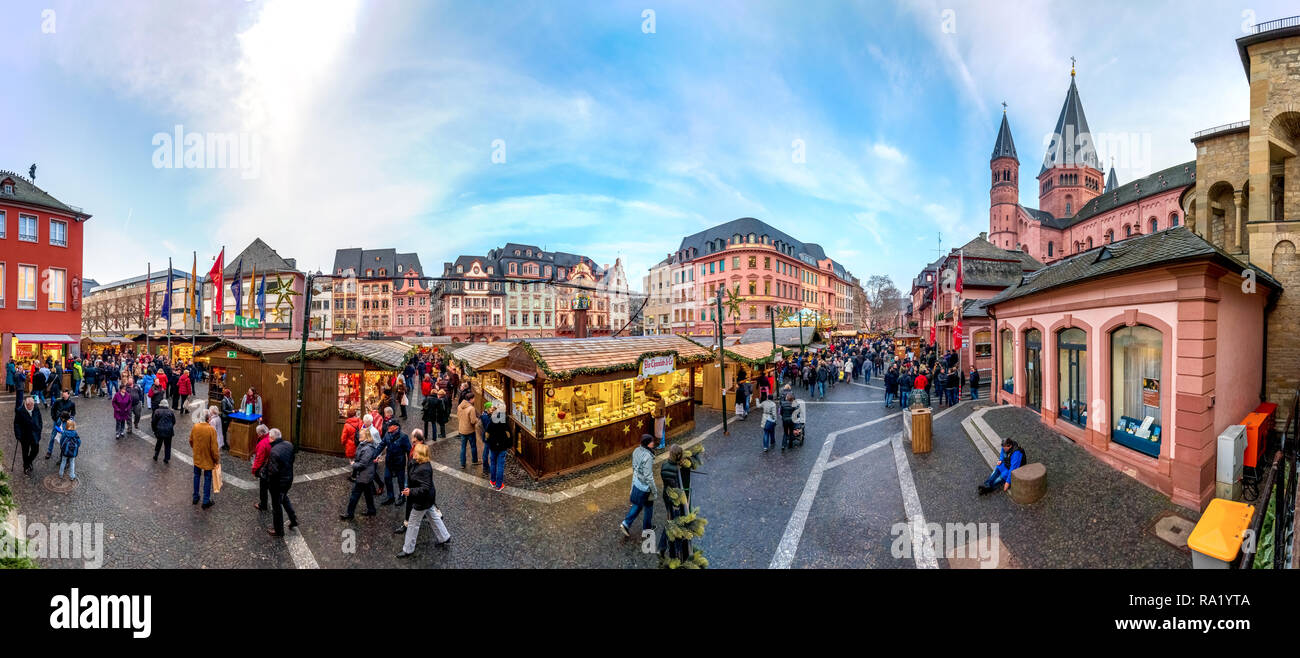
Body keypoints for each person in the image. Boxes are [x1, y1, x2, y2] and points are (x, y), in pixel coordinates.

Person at [396, 443, 451, 557]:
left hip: (422, 500)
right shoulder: (417, 462)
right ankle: (444, 537)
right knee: (433, 516)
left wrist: (411, 492)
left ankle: (408, 549)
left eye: (415, 451)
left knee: (412, 523)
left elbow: (424, 488)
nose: (413, 452)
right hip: (427, 499)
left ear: (420, 455)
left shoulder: (424, 469)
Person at [620, 434, 658, 539]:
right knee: (649, 507)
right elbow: (649, 476)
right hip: (646, 487)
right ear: (647, 443)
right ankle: (646, 529)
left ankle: (626, 523)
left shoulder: (636, 451)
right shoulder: (648, 457)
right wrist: (654, 491)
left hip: (637, 483)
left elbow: (634, 468)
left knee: (638, 504)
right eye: (651, 442)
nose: (653, 443)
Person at [341, 420, 380, 520]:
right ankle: (371, 510)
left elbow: (363, 464)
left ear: (366, 437)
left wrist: (354, 464)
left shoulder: (367, 448)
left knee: (355, 495)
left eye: (361, 435)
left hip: (364, 476)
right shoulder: (364, 445)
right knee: (368, 494)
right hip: (366, 475)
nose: (359, 436)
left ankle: (350, 514)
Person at [262, 428, 299, 536]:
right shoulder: (289, 445)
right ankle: (293, 519)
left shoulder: (274, 451)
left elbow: (273, 471)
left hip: (278, 483)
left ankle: (278, 530)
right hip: (288, 479)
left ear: (272, 438)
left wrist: (268, 480)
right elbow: (292, 460)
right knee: (284, 498)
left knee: (276, 506)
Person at [657, 444, 691, 559]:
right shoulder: (678, 470)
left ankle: (662, 548)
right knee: (672, 523)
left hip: (666, 496)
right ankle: (665, 548)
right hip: (675, 500)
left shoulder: (664, 465)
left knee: (670, 520)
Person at [189, 408, 220, 509]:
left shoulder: (195, 427)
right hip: (208, 459)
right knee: (207, 479)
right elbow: (214, 448)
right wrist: (216, 460)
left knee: (196, 476)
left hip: (197, 457)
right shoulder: (211, 430)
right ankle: (206, 500)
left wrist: (196, 449)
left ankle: (195, 497)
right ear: (208, 418)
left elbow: (191, 440)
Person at [379, 419, 410, 506]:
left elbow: (409, 450)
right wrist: (374, 455)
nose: (388, 427)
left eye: (390, 426)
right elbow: (381, 445)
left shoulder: (404, 437)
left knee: (401, 481)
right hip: (389, 462)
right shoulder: (387, 434)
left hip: (399, 463)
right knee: (387, 478)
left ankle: (402, 497)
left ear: (396, 427)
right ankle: (390, 497)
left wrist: (410, 464)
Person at [14, 396, 42, 475]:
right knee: (25, 452)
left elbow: (39, 419)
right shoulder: (20, 410)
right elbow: (16, 424)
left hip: (35, 434)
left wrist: (39, 428)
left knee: (35, 450)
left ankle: (28, 462)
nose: (32, 407)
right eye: (31, 406)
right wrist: (18, 435)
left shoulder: (36, 408)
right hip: (25, 436)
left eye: (33, 405)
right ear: (27, 405)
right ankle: (26, 466)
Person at [485, 405, 510, 490]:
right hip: (502, 446)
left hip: (493, 445)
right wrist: (508, 443)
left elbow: (487, 433)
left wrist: (488, 441)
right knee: (500, 465)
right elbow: (508, 434)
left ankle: (493, 481)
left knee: (493, 463)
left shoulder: (492, 419)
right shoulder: (505, 420)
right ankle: (499, 485)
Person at [47, 389, 76, 458]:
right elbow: (53, 409)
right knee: (52, 437)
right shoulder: (58, 401)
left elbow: (73, 412)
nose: (64, 397)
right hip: (58, 421)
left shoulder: (72, 403)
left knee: (64, 438)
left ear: (68, 395)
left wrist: (71, 419)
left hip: (66, 423)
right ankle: (49, 451)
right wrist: (54, 418)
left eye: (65, 396)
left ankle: (62, 453)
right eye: (63, 396)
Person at [455, 391, 480, 469]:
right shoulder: (471, 408)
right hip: (470, 430)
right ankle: (475, 460)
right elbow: (473, 421)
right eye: (474, 398)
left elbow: (458, 416)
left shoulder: (459, 406)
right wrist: (477, 420)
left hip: (462, 429)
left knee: (463, 447)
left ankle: (463, 464)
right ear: (471, 399)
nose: (474, 400)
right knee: (473, 446)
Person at [251, 424, 273, 511]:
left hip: (265, 468)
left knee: (263, 488)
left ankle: (263, 505)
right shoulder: (271, 438)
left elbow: (259, 459)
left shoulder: (262, 444)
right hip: (273, 467)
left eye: (257, 433)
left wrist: (254, 470)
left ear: (261, 434)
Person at [150, 398, 177, 463]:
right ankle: (166, 458)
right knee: (168, 445)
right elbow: (174, 421)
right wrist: (170, 426)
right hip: (169, 431)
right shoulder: (170, 412)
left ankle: (156, 455)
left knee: (158, 443)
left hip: (159, 431)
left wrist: (154, 430)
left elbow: (153, 422)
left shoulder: (157, 411)